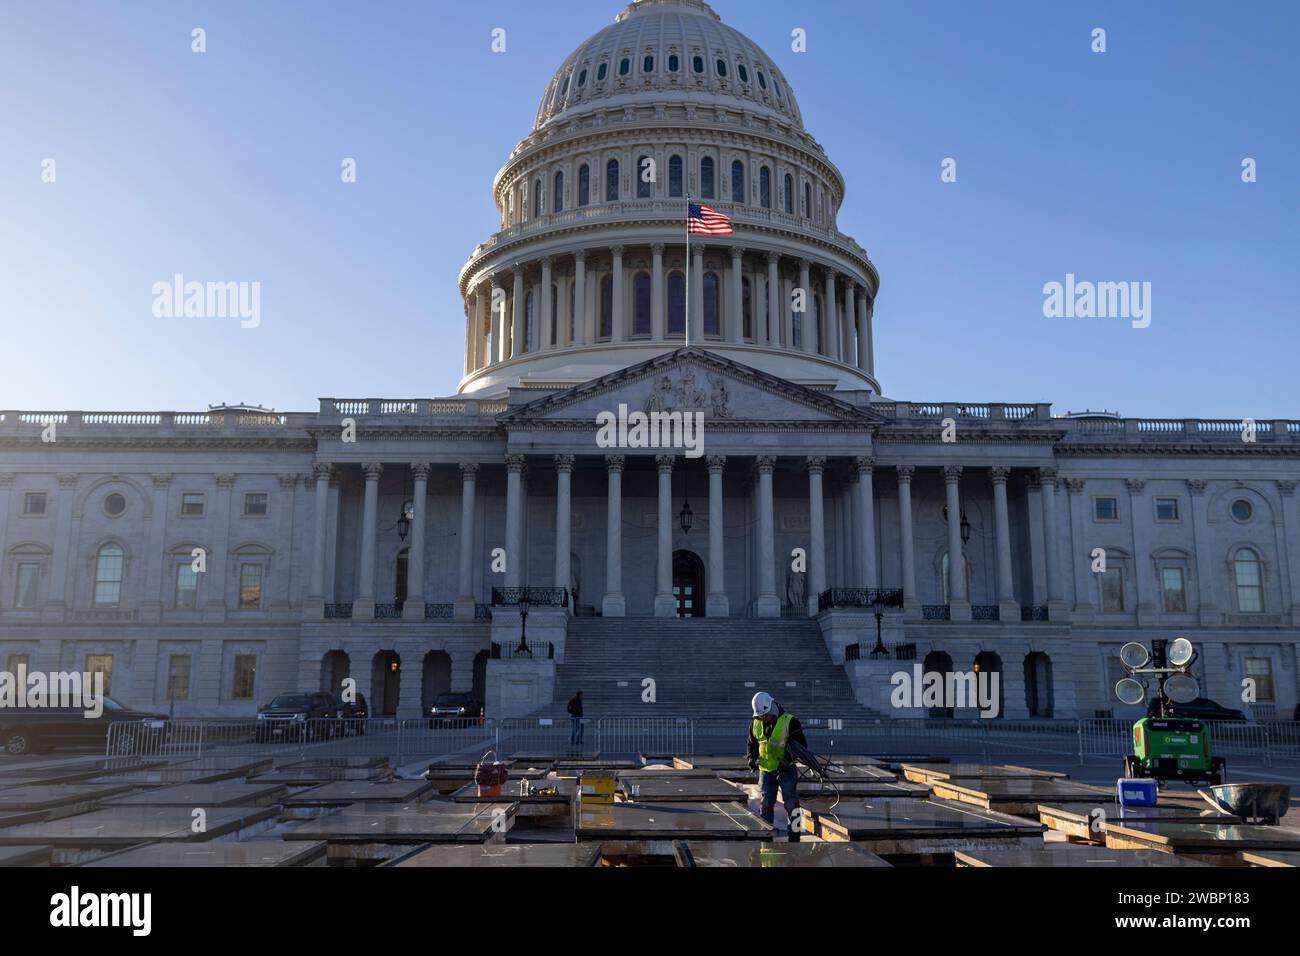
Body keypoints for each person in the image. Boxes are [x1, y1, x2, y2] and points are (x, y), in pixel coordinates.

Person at [747, 691, 807, 841]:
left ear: (772, 707)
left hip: (786, 769)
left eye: (765, 715)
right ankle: (766, 837)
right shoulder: (756, 722)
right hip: (766, 771)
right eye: (760, 716)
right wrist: (751, 759)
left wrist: (787, 759)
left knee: (791, 804)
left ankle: (795, 836)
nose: (763, 719)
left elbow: (801, 747)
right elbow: (751, 743)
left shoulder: (790, 722)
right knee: (766, 804)